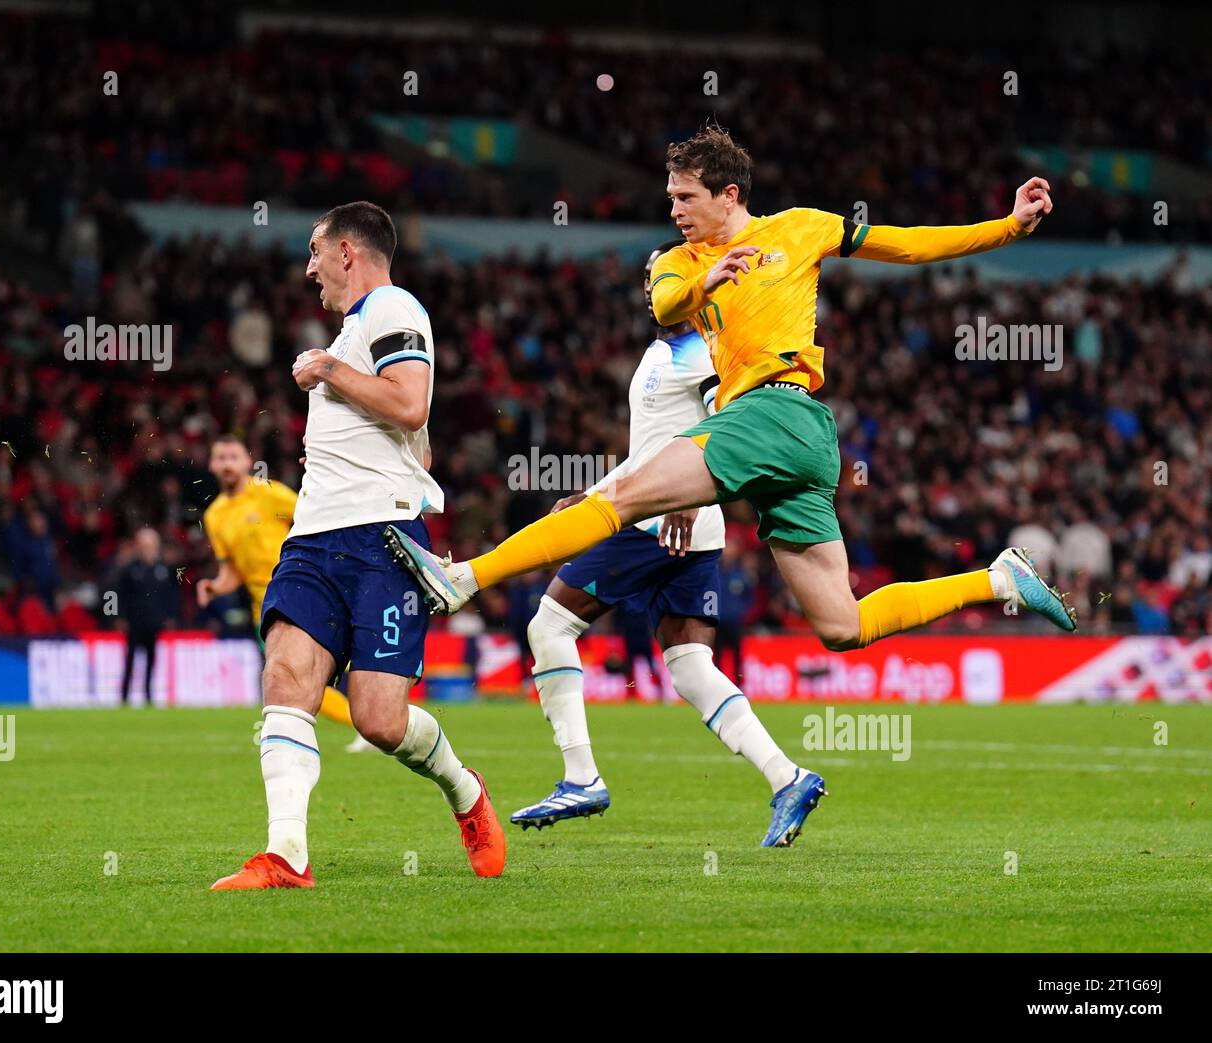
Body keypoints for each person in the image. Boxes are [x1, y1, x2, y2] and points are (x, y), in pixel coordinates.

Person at [387, 125, 1076, 846]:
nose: (677, 209)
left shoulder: (800, 229)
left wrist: (1007, 226)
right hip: (787, 442)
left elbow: (905, 244)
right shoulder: (676, 261)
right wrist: (702, 283)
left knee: (615, 503)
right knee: (842, 626)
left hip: (783, 411)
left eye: (687, 197)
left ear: (729, 194)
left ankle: (464, 578)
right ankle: (995, 581)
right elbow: (664, 306)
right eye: (671, 197)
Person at [212, 201, 505, 890]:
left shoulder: (393, 308)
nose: (309, 266)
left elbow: (410, 405)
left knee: (378, 717)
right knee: (285, 678)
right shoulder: (353, 333)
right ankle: (286, 854)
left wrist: (326, 371)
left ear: (348, 251)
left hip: (381, 539)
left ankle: (464, 790)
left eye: (316, 250)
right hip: (314, 536)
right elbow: (410, 434)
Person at [511, 243, 817, 847]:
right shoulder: (661, 351)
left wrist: (687, 499)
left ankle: (581, 777)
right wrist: (593, 495)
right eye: (654, 280)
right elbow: (649, 453)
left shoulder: (704, 349)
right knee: (691, 666)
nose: (659, 288)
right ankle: (789, 777)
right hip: (684, 530)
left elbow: (722, 429)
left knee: (549, 627)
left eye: (669, 277)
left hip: (661, 526)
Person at [196, 434, 359, 740]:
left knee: (316, 671)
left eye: (233, 457)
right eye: (221, 457)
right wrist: (216, 587)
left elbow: (314, 520)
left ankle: (374, 718)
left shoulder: (269, 494)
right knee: (294, 679)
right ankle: (361, 726)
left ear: (247, 462)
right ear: (211, 465)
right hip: (265, 609)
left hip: (302, 592)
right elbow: (232, 571)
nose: (228, 464)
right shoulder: (215, 515)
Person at [113, 527, 178, 706]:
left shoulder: (164, 569)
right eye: (145, 545)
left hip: (153, 623)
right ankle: (124, 697)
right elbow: (116, 593)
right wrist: (117, 616)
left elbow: (171, 595)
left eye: (151, 545)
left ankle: (148, 696)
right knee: (130, 661)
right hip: (134, 623)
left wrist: (170, 615)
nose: (148, 549)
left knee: (151, 660)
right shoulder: (129, 569)